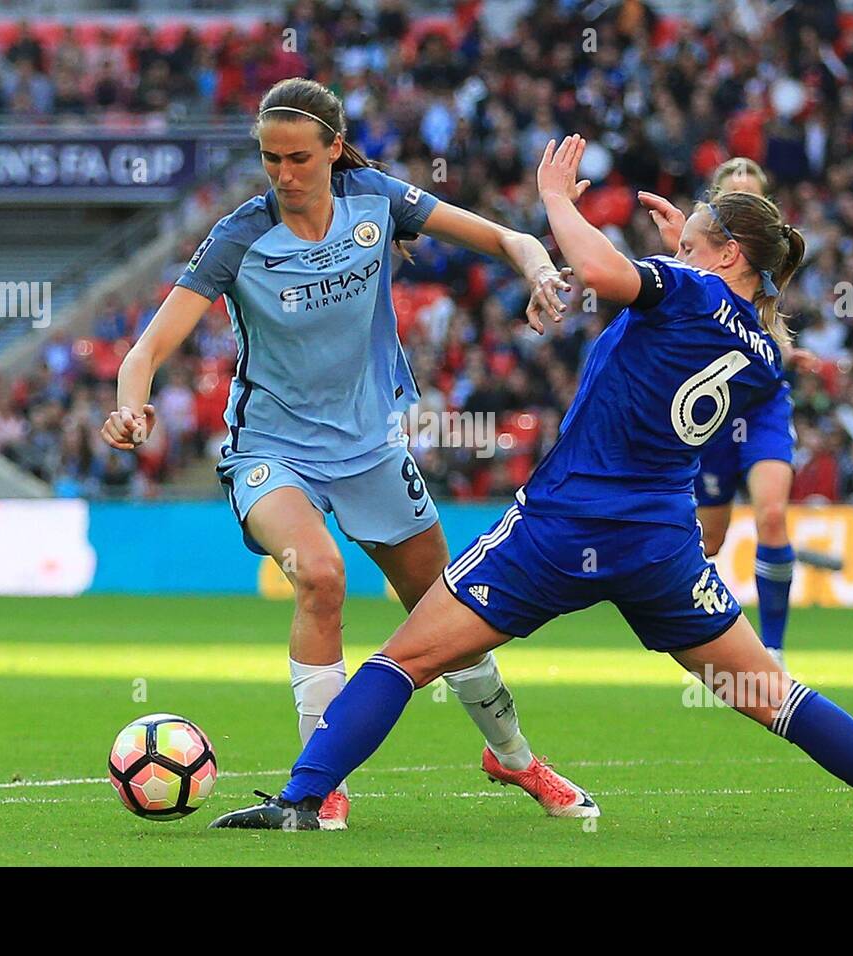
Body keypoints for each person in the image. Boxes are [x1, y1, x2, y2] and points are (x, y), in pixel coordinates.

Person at [207, 136, 853, 831]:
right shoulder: (765, 352)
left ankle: (302, 800)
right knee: (775, 697)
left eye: (696, 230)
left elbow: (605, 274)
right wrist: (691, 247)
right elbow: (707, 307)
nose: (680, 237)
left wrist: (557, 202)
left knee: (403, 661)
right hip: (660, 545)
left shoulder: (688, 291)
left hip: (565, 524)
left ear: (726, 252)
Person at [100, 78, 597, 830]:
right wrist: (129, 405)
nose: (283, 174)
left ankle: (514, 757)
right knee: (320, 575)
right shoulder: (240, 236)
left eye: (298, 157)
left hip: (369, 445)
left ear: (334, 148)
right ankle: (320, 785)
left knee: (450, 618)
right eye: (269, 159)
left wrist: (537, 273)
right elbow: (147, 348)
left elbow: (509, 238)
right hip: (272, 450)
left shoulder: (377, 199)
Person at [639, 157, 840, 669]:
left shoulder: (771, 259)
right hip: (711, 403)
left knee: (772, 513)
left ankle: (772, 650)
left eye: (756, 191)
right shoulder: (699, 260)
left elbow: (764, 325)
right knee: (710, 539)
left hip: (762, 396)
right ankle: (695, 634)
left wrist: (788, 354)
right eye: (737, 190)